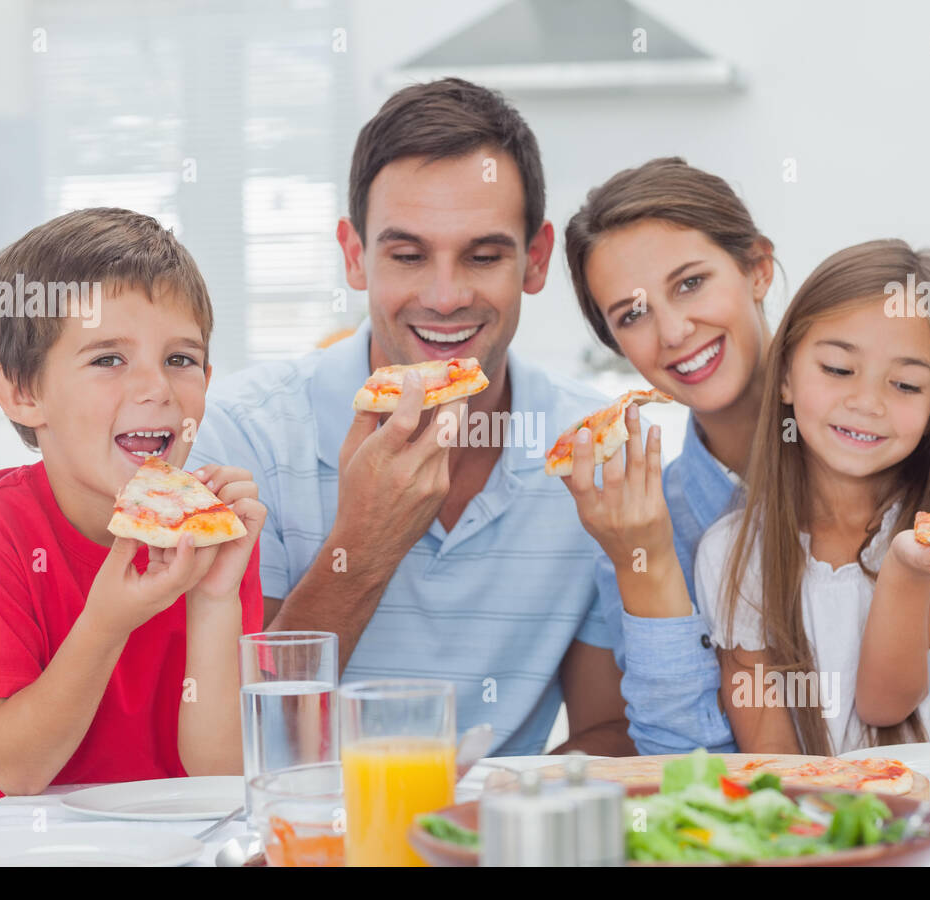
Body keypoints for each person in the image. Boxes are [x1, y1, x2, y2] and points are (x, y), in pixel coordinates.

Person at [187, 79, 633, 756]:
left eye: (484, 256)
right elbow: (243, 750)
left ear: (535, 261)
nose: (446, 296)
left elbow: (608, 730)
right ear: (355, 256)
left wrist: (482, 821)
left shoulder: (591, 448)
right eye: (408, 256)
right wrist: (362, 546)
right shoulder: (242, 436)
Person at [559, 158, 930, 753]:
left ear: (759, 269)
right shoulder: (648, 529)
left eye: (691, 282)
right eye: (632, 314)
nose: (673, 331)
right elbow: (697, 770)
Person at [0, 208, 266, 845]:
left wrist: (214, 601)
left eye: (181, 359)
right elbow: (17, 767)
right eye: (108, 359)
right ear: (24, 393)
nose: (157, 387)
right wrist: (107, 621)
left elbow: (221, 772)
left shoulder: (216, 532)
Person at [699, 239, 930, 753]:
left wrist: (908, 569)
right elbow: (774, 767)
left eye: (905, 385)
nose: (867, 403)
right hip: (820, 828)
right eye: (837, 369)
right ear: (784, 375)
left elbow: (885, 703)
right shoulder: (731, 552)